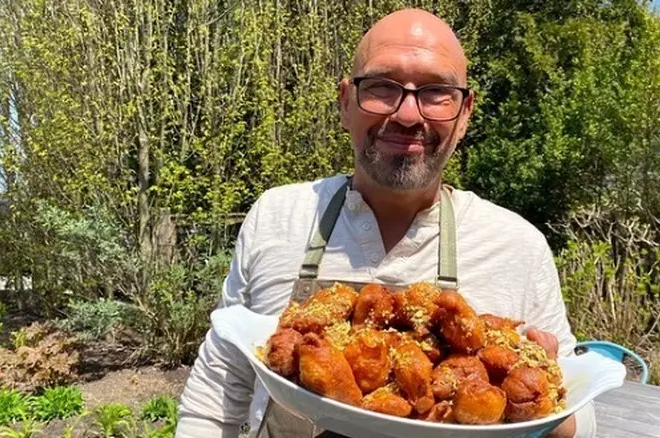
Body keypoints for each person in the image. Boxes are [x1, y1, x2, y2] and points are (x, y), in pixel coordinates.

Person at [175, 7, 596, 438]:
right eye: (381, 87)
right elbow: (218, 389)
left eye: (436, 92)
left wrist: (544, 399)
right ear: (344, 103)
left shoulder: (517, 246)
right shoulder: (279, 216)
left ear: (465, 113)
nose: (408, 115)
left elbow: (580, 417)